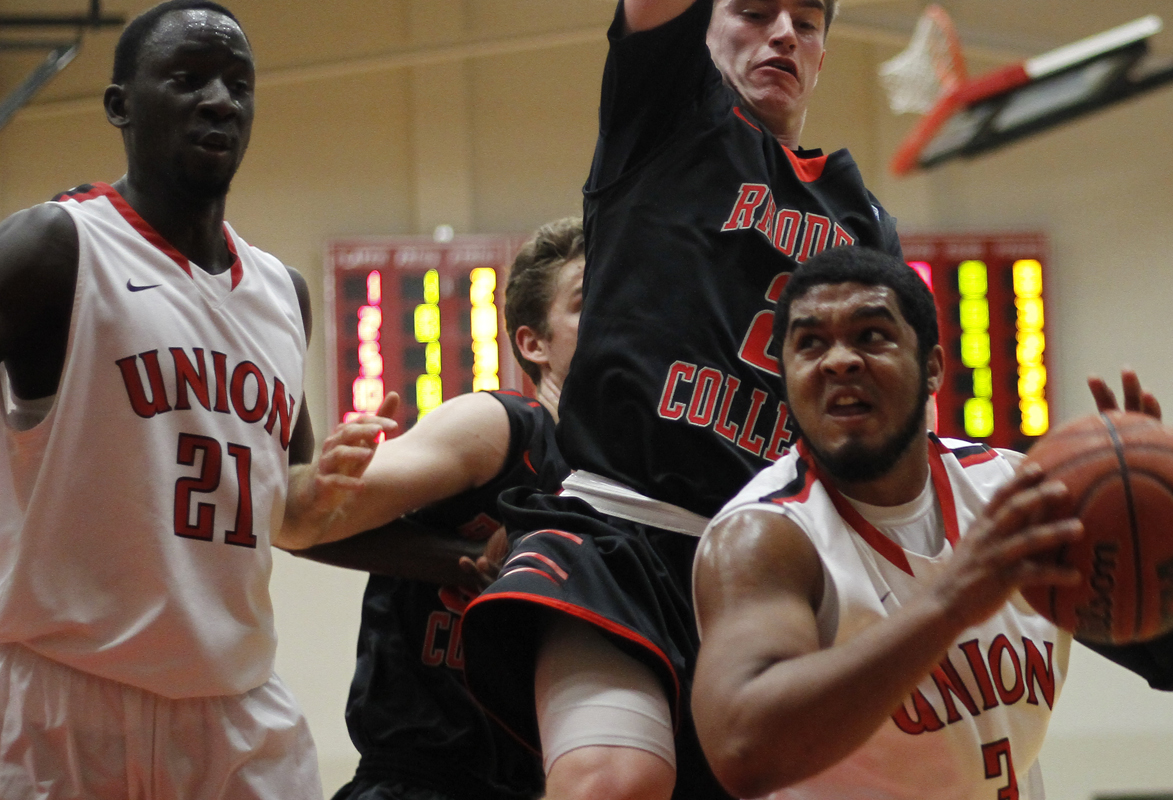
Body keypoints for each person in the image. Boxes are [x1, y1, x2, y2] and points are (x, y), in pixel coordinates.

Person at [458, 0, 895, 797]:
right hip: (622, 530)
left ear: (826, 54)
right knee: (614, 781)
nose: (785, 33)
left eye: (808, 20)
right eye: (756, 10)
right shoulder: (670, 108)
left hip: (766, 568)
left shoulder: (864, 223)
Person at [0, 1, 385, 795]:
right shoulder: (54, 247)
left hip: (238, 712)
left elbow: (291, 513)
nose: (220, 100)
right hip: (65, 702)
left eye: (238, 84)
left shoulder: (285, 292)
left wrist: (326, 481)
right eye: (187, 79)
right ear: (120, 105)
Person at [690, 247, 1173, 800]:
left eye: (871, 335)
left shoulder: (1015, 490)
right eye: (810, 343)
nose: (838, 360)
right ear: (787, 375)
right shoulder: (765, 536)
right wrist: (950, 601)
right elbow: (742, 749)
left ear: (932, 367)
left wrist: (1146, 519)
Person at [273, 217, 587, 800]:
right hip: (418, 779)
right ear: (532, 343)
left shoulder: (623, 477)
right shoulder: (500, 426)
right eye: (587, 303)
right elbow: (299, 524)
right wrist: (458, 559)